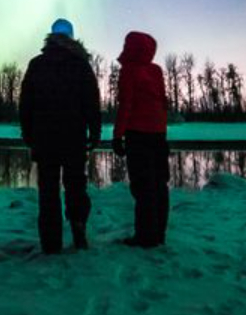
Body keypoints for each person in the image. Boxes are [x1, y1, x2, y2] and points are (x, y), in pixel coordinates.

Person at [19, 18, 102, 254]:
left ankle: (50, 243)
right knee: (76, 187)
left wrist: (28, 133)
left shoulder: (37, 64)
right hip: (73, 138)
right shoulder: (81, 65)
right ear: (72, 37)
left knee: (48, 191)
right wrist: (94, 132)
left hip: (45, 140)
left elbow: (26, 104)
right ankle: (78, 231)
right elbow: (91, 102)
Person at [112, 31, 169, 248]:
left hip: (138, 135)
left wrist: (118, 135)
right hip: (158, 135)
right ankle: (158, 234)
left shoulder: (129, 70)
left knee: (143, 187)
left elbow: (126, 105)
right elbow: (162, 103)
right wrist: (162, 131)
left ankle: (145, 237)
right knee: (159, 185)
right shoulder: (156, 71)